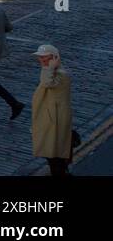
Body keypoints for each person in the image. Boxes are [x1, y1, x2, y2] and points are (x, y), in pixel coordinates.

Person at [30, 44, 73, 176]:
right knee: (51, 151)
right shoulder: (51, 71)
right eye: (40, 58)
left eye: (46, 58)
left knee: (54, 151)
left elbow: (47, 83)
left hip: (54, 119)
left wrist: (49, 68)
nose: (42, 61)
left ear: (55, 58)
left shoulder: (60, 74)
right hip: (49, 117)